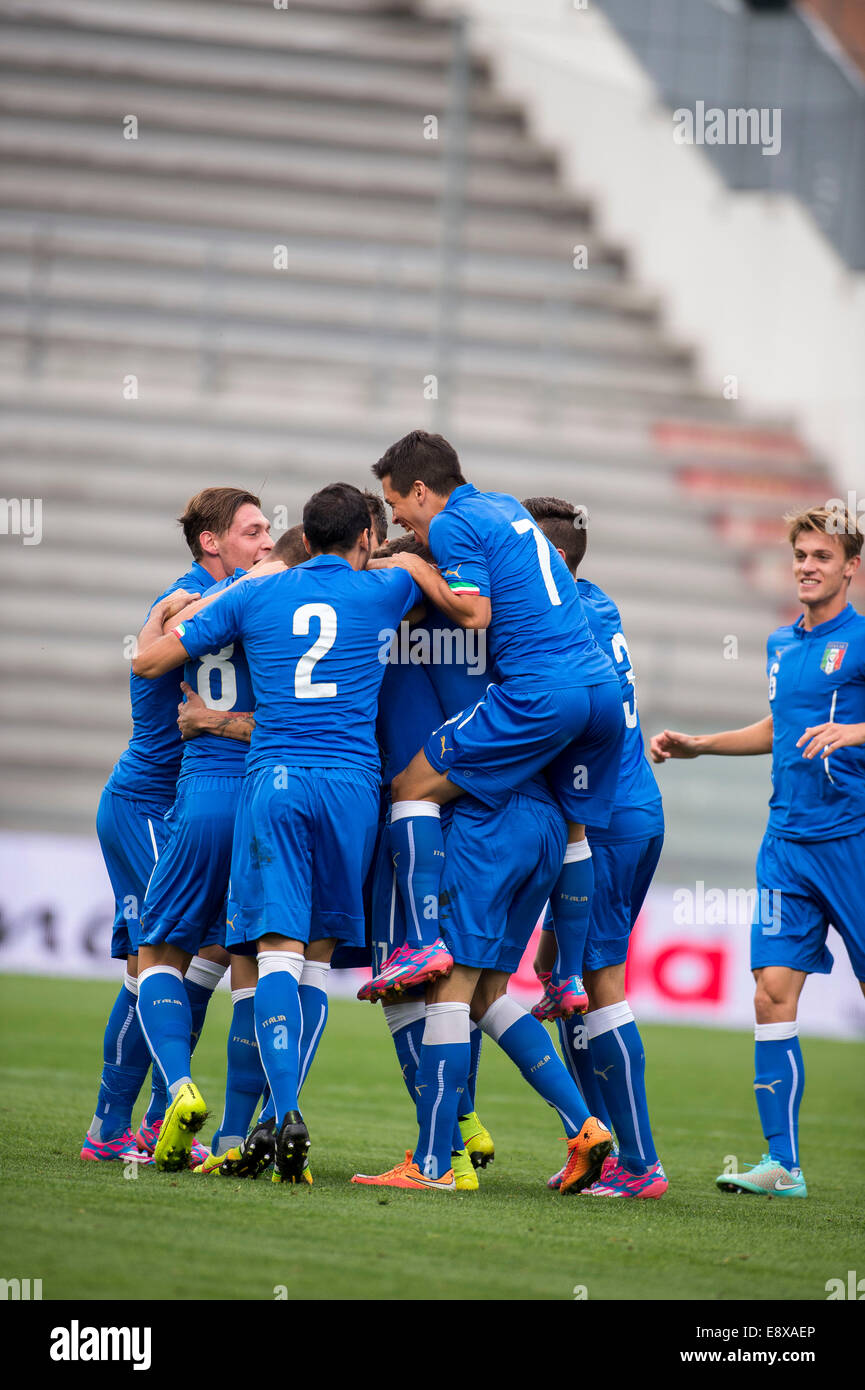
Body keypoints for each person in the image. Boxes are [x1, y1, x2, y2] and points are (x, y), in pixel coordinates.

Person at [132, 483, 423, 1183]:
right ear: (361, 540)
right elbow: (428, 574)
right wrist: (398, 558)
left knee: (269, 955)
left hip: (275, 782)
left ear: (301, 535)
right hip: (353, 787)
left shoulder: (253, 596)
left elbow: (150, 660)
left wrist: (176, 608)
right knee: (316, 959)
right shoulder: (383, 590)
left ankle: (280, 1110)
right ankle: (267, 1119)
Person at [368, 431, 624, 1030]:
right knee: (574, 827)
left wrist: (409, 564)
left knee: (410, 788)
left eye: (396, 502)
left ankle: (424, 941)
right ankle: (565, 975)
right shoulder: (505, 506)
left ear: (423, 490)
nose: (397, 515)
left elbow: (473, 611)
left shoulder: (454, 523)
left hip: (540, 693)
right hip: (599, 693)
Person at [650, 505, 865, 1198]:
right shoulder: (779, 643)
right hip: (785, 845)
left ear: (849, 568)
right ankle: (783, 1166)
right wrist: (703, 743)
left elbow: (842, 726)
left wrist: (854, 733)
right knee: (771, 994)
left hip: (852, 838)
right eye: (800, 554)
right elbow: (784, 724)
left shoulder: (860, 639)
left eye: (821, 556)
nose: (806, 566)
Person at [81, 487, 271, 1162]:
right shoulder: (191, 603)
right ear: (212, 543)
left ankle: (154, 1116)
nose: (267, 543)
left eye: (270, 531)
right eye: (251, 532)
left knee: (206, 956)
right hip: (149, 806)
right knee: (156, 960)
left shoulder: (224, 601)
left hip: (194, 806)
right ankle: (114, 1127)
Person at [524, 497, 667, 1198]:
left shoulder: (562, 619)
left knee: (597, 980)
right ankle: (599, 1145)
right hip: (624, 808)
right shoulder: (593, 600)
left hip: (606, 819)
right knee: (556, 968)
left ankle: (638, 1165)